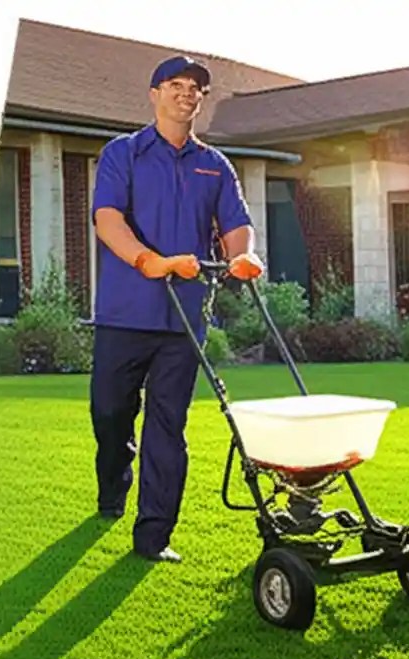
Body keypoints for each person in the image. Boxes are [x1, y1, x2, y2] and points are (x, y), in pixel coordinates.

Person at [89, 56, 264, 563]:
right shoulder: (123, 153)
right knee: (110, 413)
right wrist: (149, 261)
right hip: (125, 313)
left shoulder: (215, 165)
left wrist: (244, 256)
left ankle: (154, 537)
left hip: (183, 318)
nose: (186, 93)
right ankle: (114, 482)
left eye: (195, 88)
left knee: (167, 425)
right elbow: (107, 219)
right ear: (154, 93)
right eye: (175, 85)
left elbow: (236, 223)